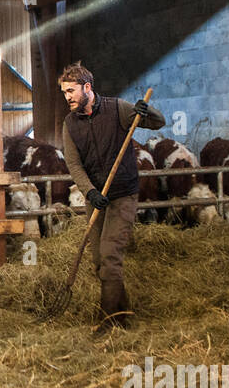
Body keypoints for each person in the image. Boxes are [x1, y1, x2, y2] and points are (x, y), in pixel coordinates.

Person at [57, 62, 165, 334]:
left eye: (71, 91)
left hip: (122, 194)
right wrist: (89, 191)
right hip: (96, 198)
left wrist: (145, 110)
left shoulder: (118, 108)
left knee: (109, 255)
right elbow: (74, 165)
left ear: (87, 88)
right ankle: (123, 314)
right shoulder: (70, 124)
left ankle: (108, 322)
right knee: (98, 261)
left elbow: (157, 122)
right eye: (64, 92)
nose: (67, 97)